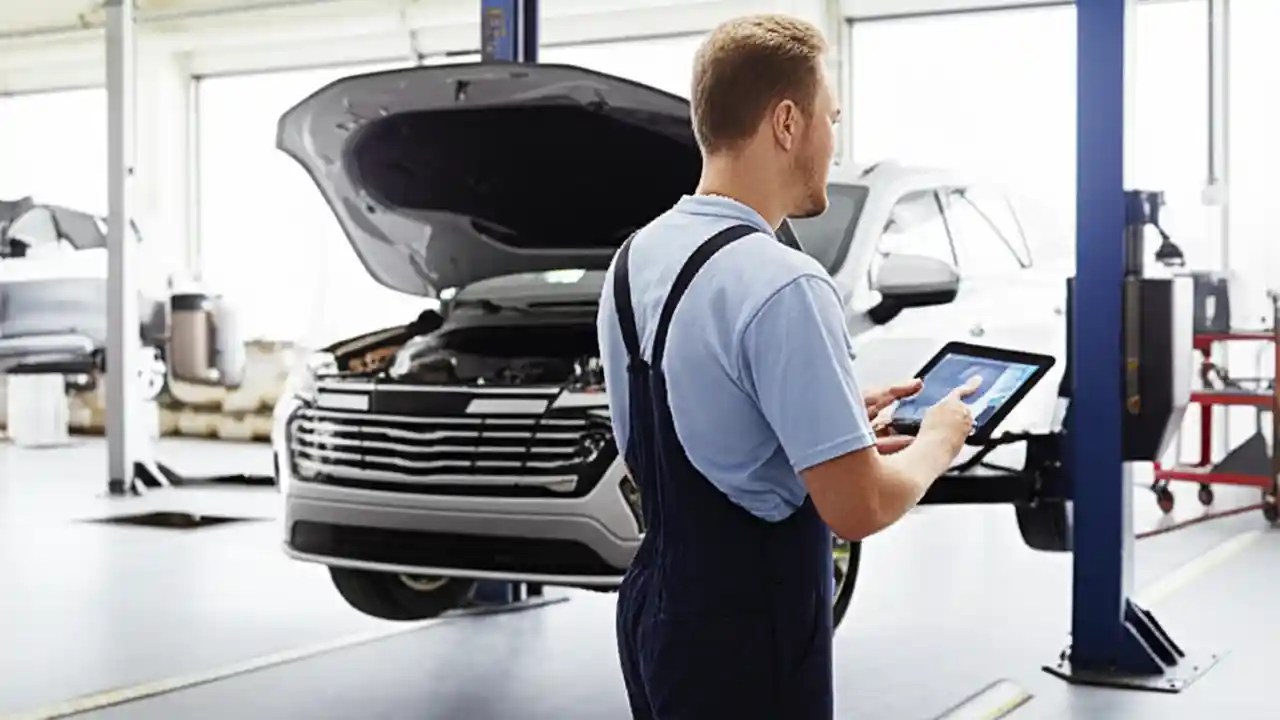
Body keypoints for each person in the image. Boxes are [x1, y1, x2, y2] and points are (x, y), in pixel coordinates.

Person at [596, 13, 979, 720]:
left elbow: (694, 419)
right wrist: (938, 441)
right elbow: (858, 508)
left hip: (655, 611)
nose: (833, 141)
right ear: (786, 123)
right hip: (749, 632)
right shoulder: (785, 282)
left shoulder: (634, 259)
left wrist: (829, 422)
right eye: (831, 118)